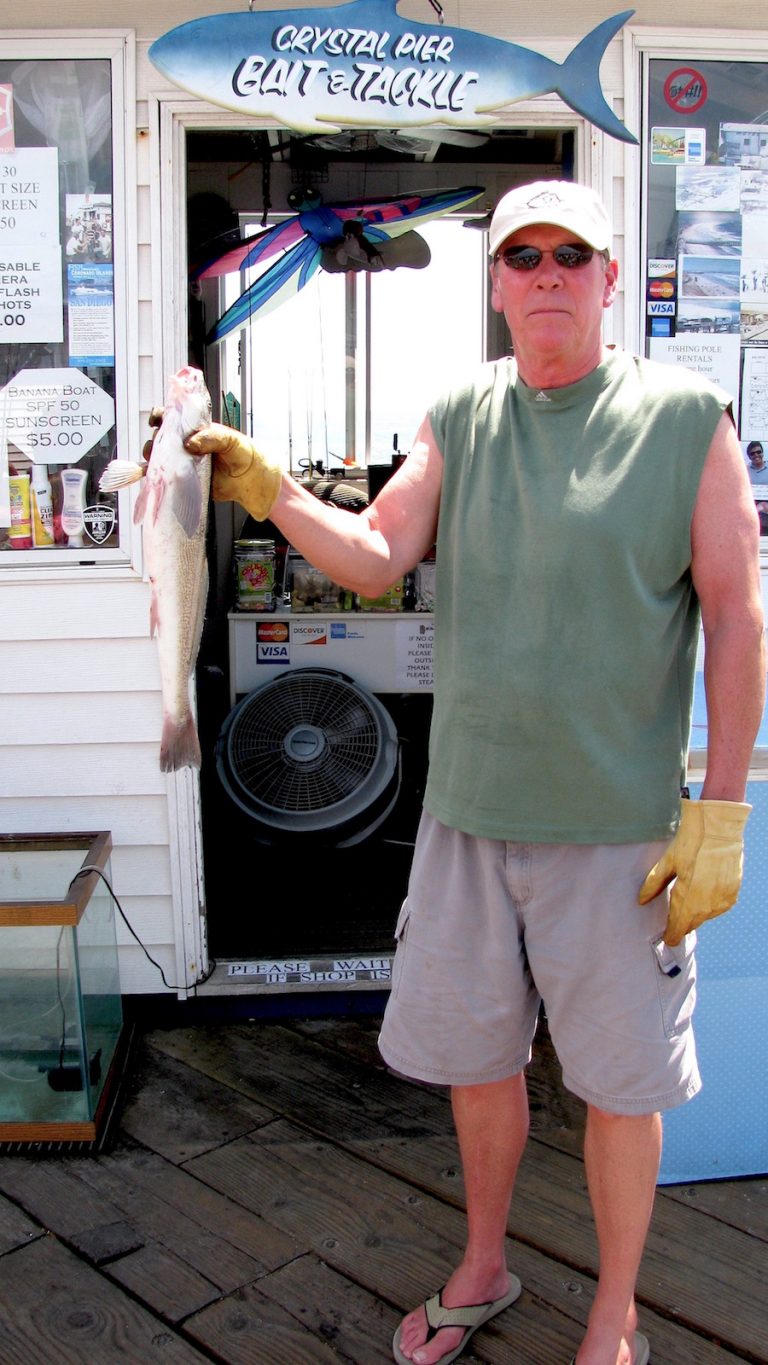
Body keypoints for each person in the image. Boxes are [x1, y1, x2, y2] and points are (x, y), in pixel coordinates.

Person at [186, 180, 765, 1365]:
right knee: (479, 1067)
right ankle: (487, 1261)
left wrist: (721, 810)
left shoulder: (686, 416)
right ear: (495, 286)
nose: (546, 274)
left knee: (621, 1089)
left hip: (622, 834)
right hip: (467, 821)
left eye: (571, 256)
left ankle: (615, 1313)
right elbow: (376, 554)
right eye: (522, 257)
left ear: (611, 280)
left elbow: (739, 616)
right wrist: (271, 488)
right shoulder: (459, 413)